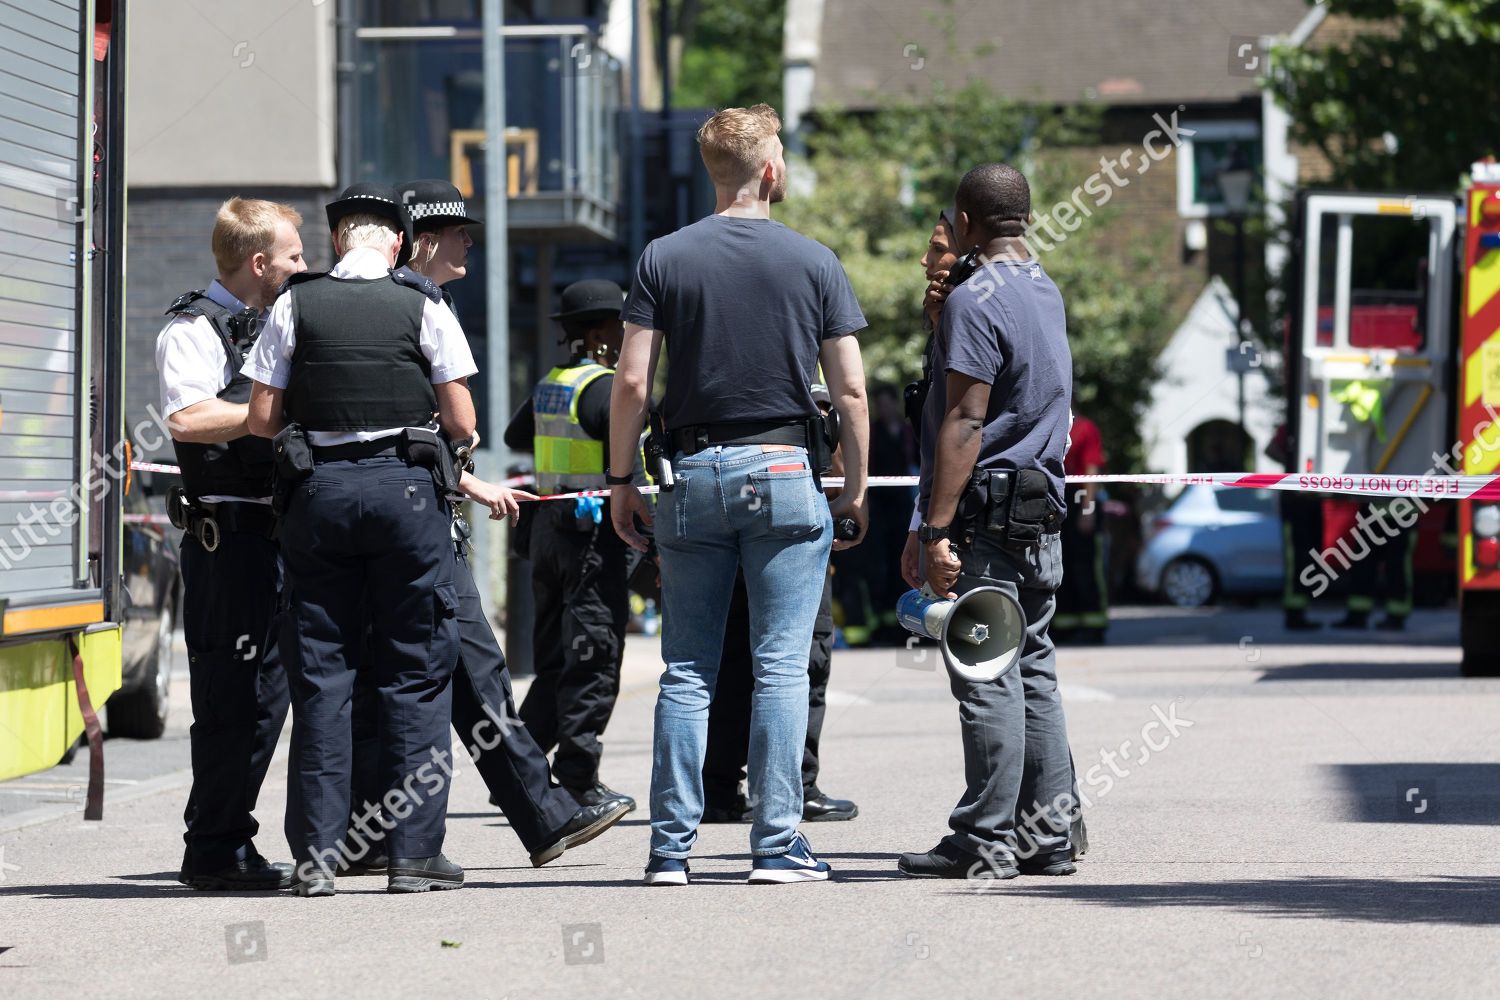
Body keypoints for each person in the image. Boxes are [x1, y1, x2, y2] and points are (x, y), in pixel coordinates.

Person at [608, 103, 870, 886]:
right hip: (787, 472)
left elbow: (630, 382)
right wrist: (853, 487)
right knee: (781, 666)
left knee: (686, 668)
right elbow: (850, 390)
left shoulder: (664, 257)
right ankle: (778, 844)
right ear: (769, 169)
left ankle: (670, 851)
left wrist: (621, 481)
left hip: (690, 474)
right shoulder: (813, 260)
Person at [340, 180, 630, 874]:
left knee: (416, 677)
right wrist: (459, 471)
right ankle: (543, 810)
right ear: (428, 239)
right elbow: (458, 422)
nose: (471, 241)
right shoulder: (417, 306)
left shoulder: (367, 302)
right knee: (475, 667)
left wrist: (464, 478)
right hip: (418, 522)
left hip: (382, 511)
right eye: (461, 232)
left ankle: (370, 832)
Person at [244, 183, 473, 897]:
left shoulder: (295, 302)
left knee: (322, 679)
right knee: (414, 675)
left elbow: (259, 417)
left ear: (340, 240)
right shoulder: (424, 303)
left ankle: (316, 859)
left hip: (319, 499)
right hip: (407, 499)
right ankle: (412, 857)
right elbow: (462, 421)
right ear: (398, 245)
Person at [899, 163, 1078, 879]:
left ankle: (984, 837)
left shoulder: (978, 298)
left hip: (985, 517)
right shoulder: (1044, 290)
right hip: (1040, 514)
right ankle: (1049, 834)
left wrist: (936, 529)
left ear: (967, 225)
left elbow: (967, 418)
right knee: (1033, 668)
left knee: (986, 672)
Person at [155, 198, 304, 890]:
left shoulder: (280, 324)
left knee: (268, 699)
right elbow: (187, 419)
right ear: (258, 262)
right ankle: (212, 848)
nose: (305, 267)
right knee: (229, 699)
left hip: (278, 540)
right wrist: (266, 415)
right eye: (295, 256)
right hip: (226, 544)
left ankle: (229, 838)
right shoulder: (191, 329)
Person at [503, 278, 636, 813]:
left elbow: (517, 437)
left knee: (558, 660)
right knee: (594, 657)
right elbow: (624, 443)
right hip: (592, 537)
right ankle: (579, 778)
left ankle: (518, 768)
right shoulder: (605, 387)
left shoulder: (553, 382)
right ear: (604, 329)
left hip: (548, 530)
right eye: (623, 325)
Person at [703, 385, 858, 824]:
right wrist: (849, 506)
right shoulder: (813, 388)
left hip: (725, 519)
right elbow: (834, 459)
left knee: (731, 661)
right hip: (791, 528)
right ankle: (797, 786)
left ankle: (717, 788)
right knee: (803, 659)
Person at [1054, 409, 1109, 644]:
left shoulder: (1085, 428)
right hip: (1058, 499)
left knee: (1085, 567)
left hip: (1080, 502)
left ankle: (1094, 624)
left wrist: (1088, 511)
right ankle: (1064, 624)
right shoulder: (1052, 423)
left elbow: (1091, 472)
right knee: (1059, 565)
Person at [1334, 500, 1416, 631]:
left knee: (1397, 566)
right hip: (1373, 510)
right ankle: (1357, 613)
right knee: (1362, 564)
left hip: (1402, 512)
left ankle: (1396, 615)